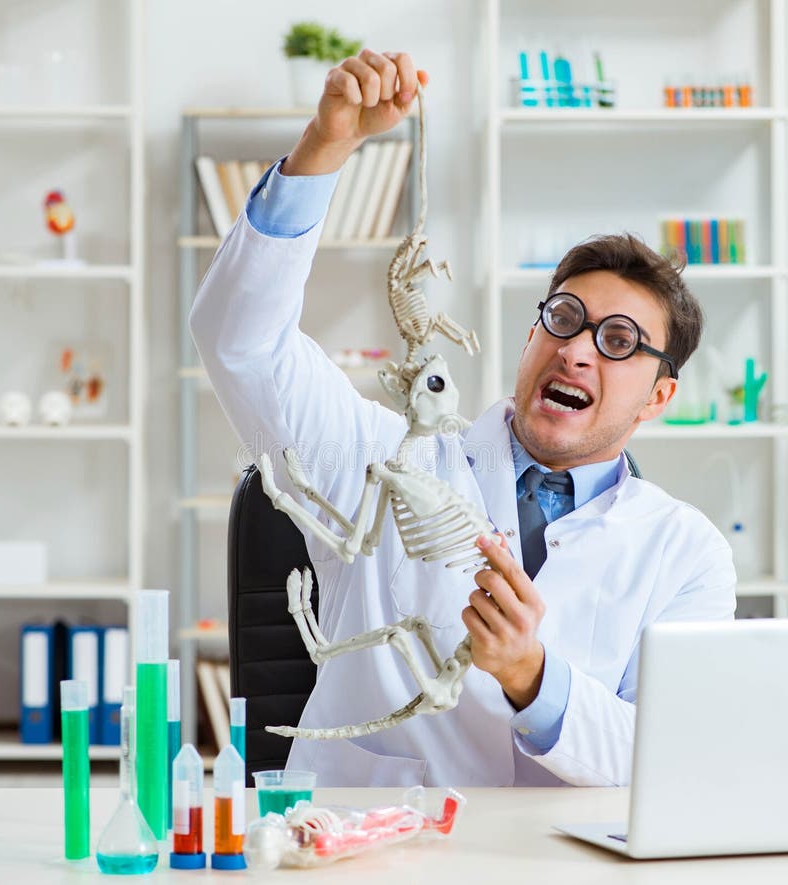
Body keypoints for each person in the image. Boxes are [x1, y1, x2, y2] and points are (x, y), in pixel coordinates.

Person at [190, 50, 735, 788]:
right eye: (564, 319)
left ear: (658, 398)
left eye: (617, 341)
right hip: (372, 853)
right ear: (529, 337)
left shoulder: (688, 555)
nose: (577, 350)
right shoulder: (379, 458)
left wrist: (532, 676)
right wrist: (327, 145)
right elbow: (241, 344)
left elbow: (670, 760)